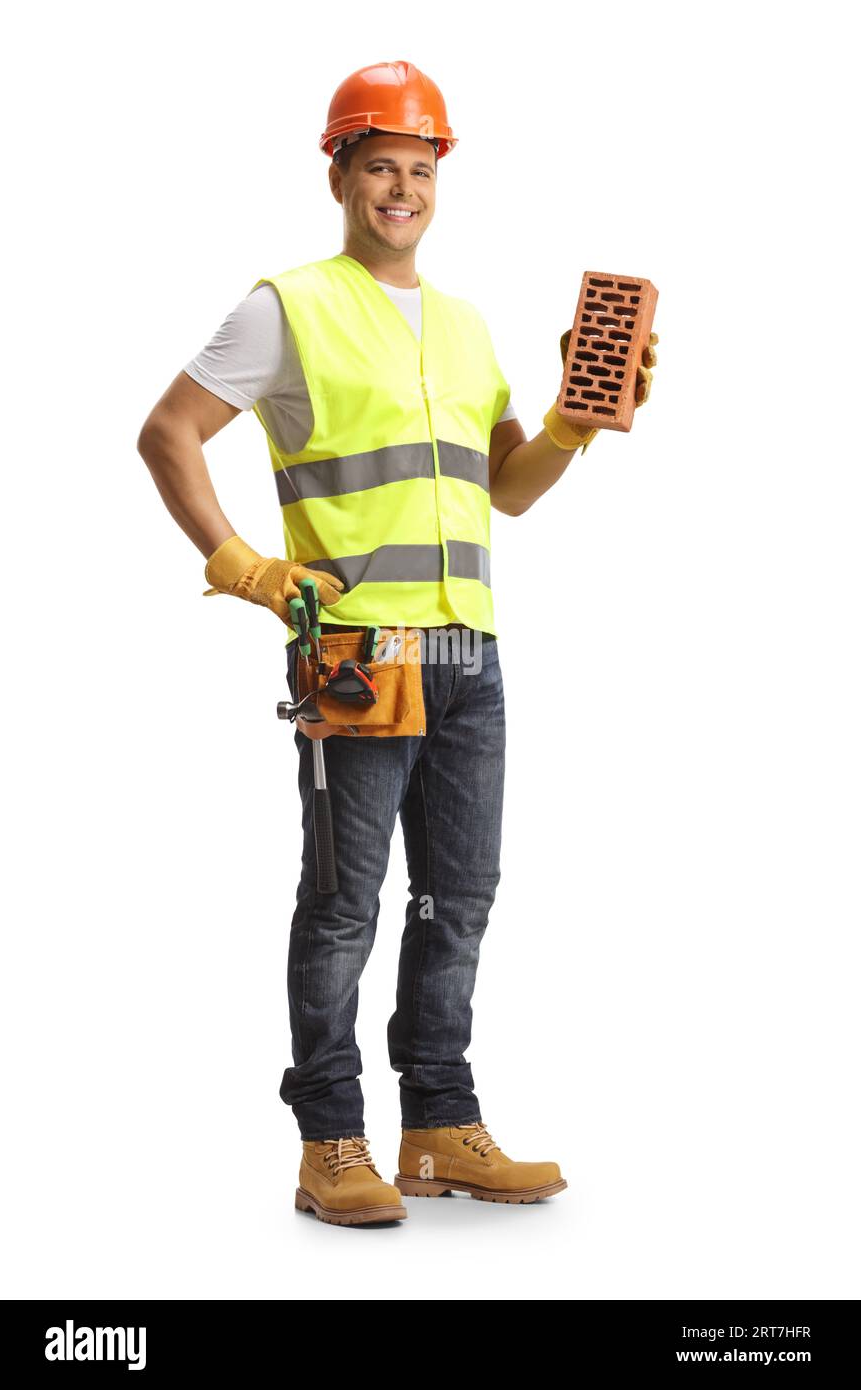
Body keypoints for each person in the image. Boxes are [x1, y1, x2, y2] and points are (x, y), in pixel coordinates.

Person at [137, 59, 657, 1228]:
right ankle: (331, 1140)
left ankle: (436, 1125)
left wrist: (576, 420)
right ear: (340, 174)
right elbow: (168, 433)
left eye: (419, 169)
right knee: (342, 906)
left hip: (468, 656)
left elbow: (507, 490)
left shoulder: (468, 327)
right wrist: (248, 569)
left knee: (458, 900)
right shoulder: (287, 304)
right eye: (380, 166)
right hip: (358, 657)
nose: (401, 188)